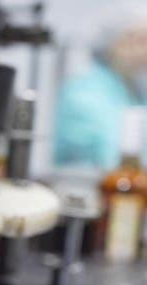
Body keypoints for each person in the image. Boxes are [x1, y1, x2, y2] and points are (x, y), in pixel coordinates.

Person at [54, 9, 147, 169]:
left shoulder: (136, 89)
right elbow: (110, 156)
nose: (144, 51)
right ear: (112, 44)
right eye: (137, 41)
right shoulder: (85, 91)